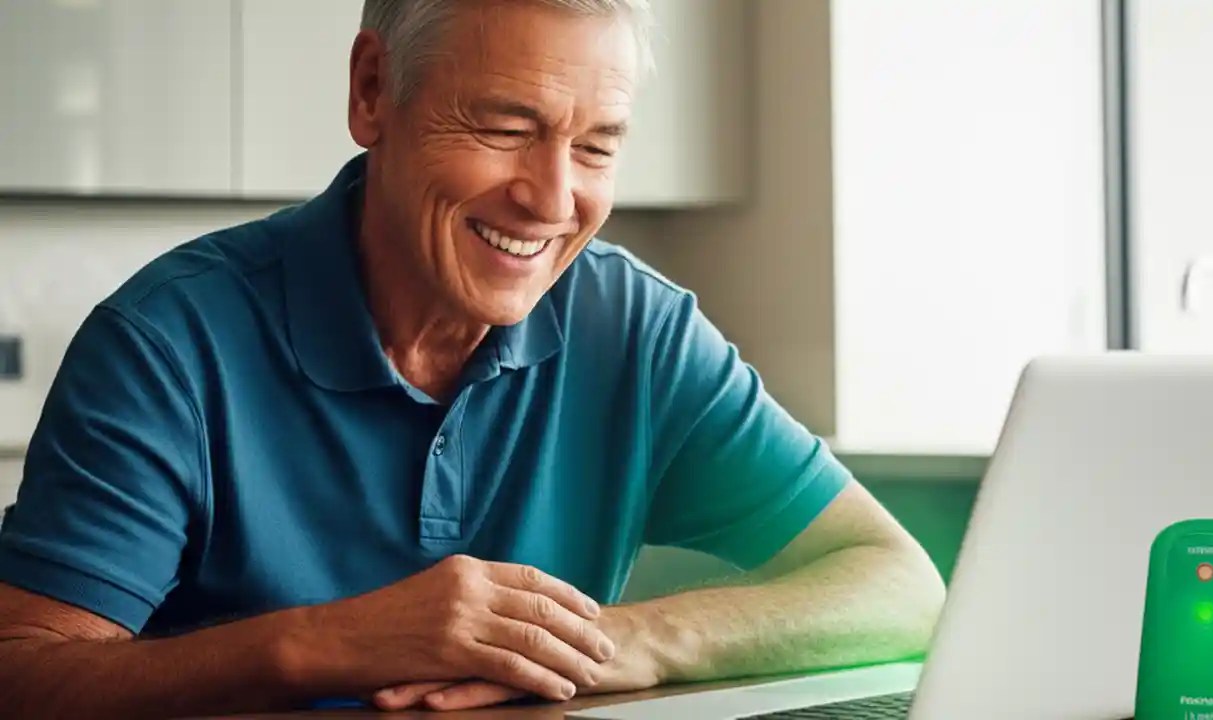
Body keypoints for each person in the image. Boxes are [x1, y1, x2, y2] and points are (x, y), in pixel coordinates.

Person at [0, 0, 944, 717]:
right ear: (373, 91)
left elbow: (898, 584)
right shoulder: (170, 341)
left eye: (597, 146)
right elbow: (22, 671)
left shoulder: (635, 329)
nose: (553, 197)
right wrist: (333, 643)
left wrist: (632, 640)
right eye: (504, 127)